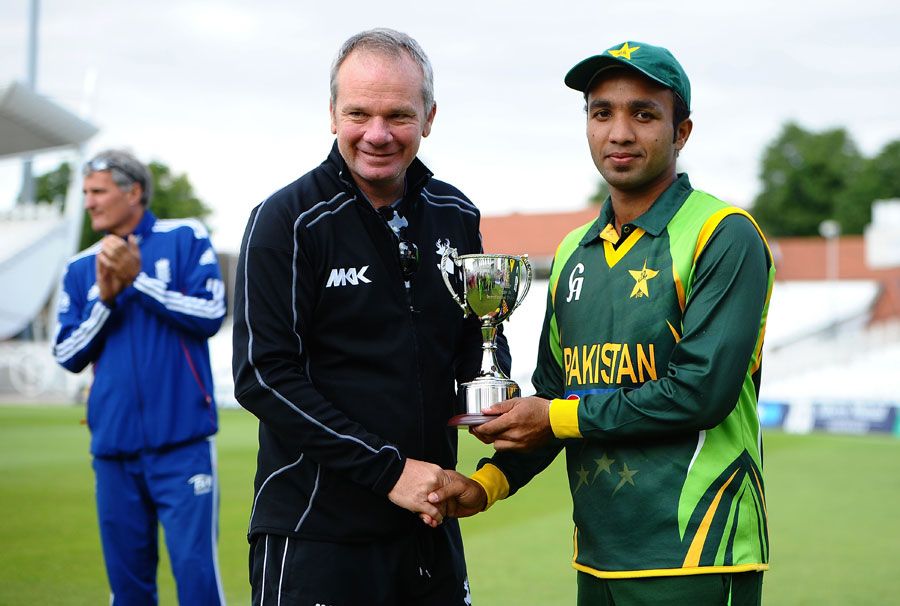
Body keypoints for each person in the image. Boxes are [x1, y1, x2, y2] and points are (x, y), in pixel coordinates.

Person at [430, 41, 776, 605]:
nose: (619, 133)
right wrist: (486, 485)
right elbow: (557, 399)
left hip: (697, 555)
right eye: (601, 112)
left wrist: (556, 416)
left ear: (681, 132)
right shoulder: (573, 251)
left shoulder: (723, 233)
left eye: (644, 114)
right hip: (599, 556)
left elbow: (699, 394)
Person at [231, 28, 507, 606]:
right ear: (332, 114)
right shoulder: (287, 220)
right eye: (359, 113)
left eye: (398, 116)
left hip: (427, 526)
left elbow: (477, 339)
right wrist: (389, 472)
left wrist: (489, 400)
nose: (377, 135)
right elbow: (263, 375)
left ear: (429, 117)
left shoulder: (455, 213)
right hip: (316, 533)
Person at [53, 149, 227, 605]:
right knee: (128, 590)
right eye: (86, 192)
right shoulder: (77, 268)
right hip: (113, 452)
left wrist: (140, 282)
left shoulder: (185, 235)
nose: (88, 202)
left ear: (134, 192)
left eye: (98, 191)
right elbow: (66, 352)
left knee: (197, 580)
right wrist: (107, 303)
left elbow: (211, 313)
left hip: (183, 447)